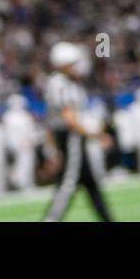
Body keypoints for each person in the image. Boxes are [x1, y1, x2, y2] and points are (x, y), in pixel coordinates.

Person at [42, 42, 114, 222]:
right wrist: (96, 135)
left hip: (72, 137)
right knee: (68, 182)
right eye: (73, 63)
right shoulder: (61, 83)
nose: (77, 67)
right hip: (71, 138)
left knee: (90, 184)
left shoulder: (63, 83)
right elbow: (69, 118)